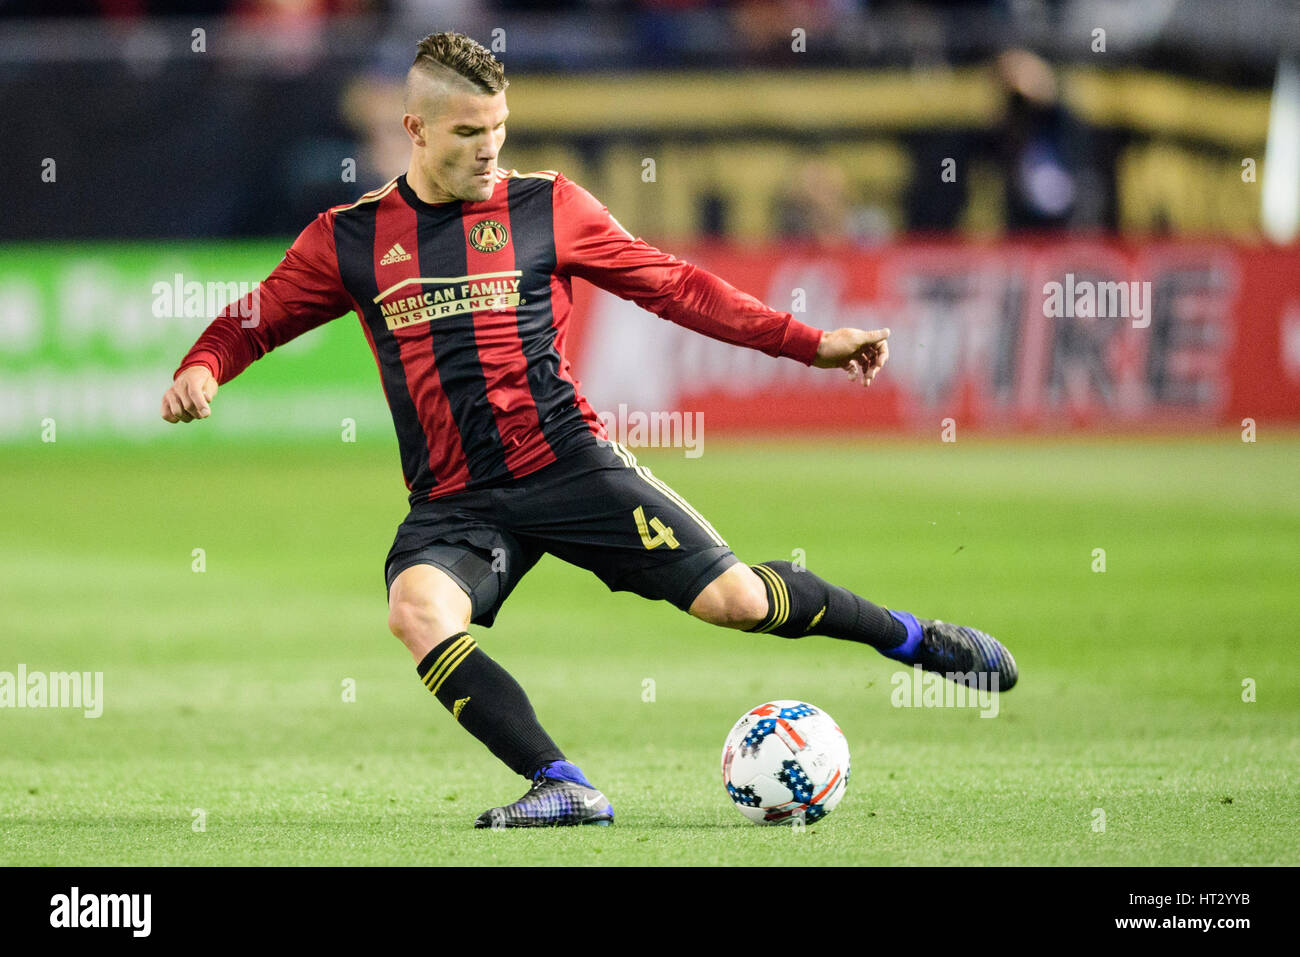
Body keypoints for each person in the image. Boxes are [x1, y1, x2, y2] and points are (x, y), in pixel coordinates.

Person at [161, 31, 1017, 829]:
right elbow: (253, 319)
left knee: (738, 601)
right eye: (467, 131)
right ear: (414, 129)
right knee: (416, 608)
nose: (490, 147)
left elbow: (674, 285)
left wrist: (806, 343)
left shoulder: (547, 207)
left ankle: (915, 639)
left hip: (567, 464)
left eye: (498, 127)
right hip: (458, 499)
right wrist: (205, 363)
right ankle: (563, 782)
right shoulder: (349, 239)